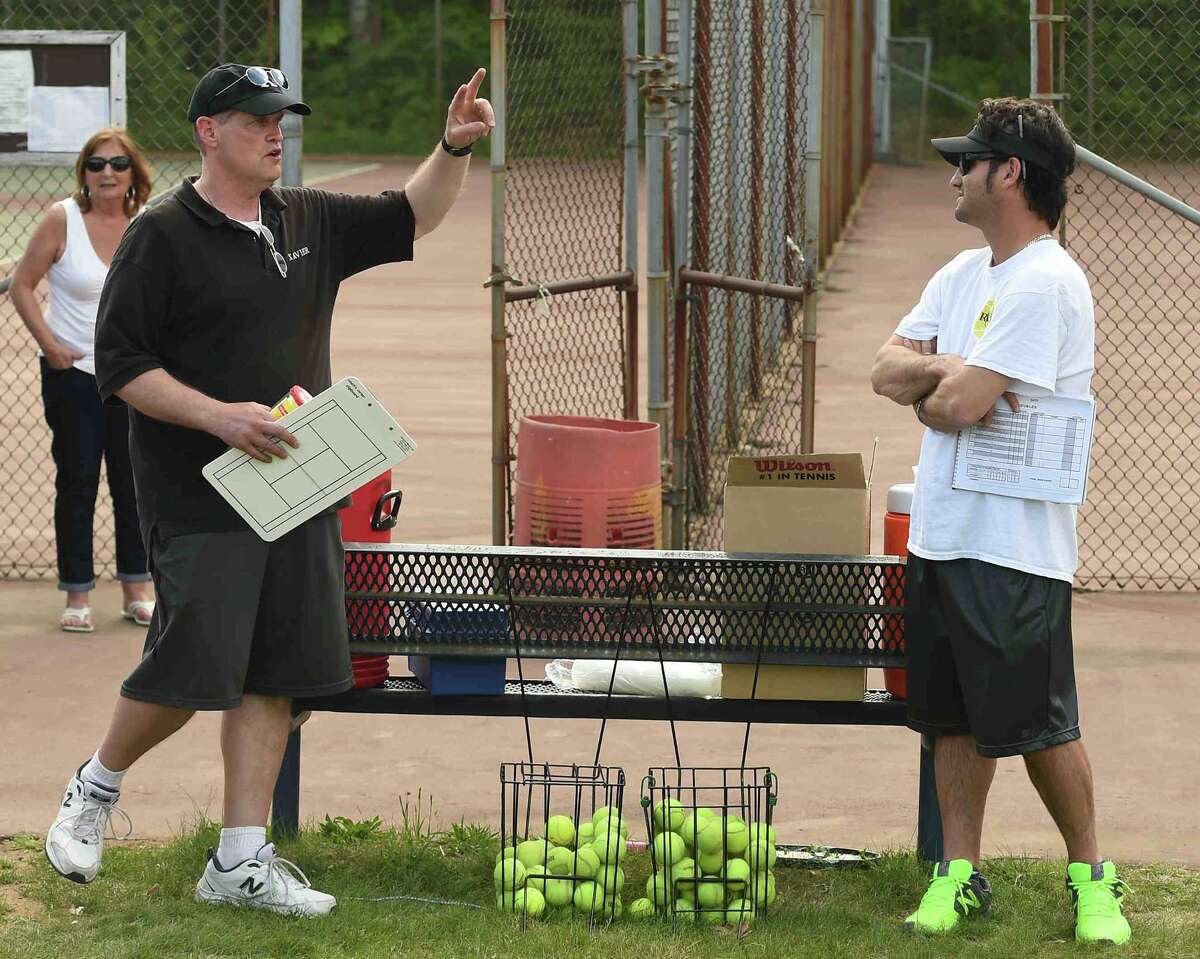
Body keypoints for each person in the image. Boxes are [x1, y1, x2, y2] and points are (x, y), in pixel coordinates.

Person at [43, 63, 493, 916]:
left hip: (298, 488)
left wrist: (451, 146)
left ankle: (240, 860)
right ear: (210, 131)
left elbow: (415, 214)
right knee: (190, 666)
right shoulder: (162, 234)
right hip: (198, 495)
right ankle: (94, 791)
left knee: (274, 674)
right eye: (256, 120)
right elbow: (126, 365)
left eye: (281, 118)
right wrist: (221, 417)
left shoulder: (306, 216)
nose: (275, 132)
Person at [870, 97, 1131, 946]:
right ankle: (958, 872)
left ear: (1010, 173)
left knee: (1038, 724)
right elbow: (888, 371)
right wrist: (947, 368)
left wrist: (944, 381)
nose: (954, 174)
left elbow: (956, 406)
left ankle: (1094, 878)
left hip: (1015, 549)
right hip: (942, 534)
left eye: (969, 161)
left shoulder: (1048, 280)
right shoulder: (959, 273)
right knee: (952, 719)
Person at [10, 128, 156, 633]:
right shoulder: (61, 219)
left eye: (117, 164)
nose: (107, 174)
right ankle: (77, 594)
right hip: (73, 376)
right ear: (83, 173)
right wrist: (51, 346)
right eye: (96, 165)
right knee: (77, 482)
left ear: (133, 172)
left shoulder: (149, 224)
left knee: (133, 483)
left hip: (136, 379)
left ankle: (137, 589)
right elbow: (23, 286)